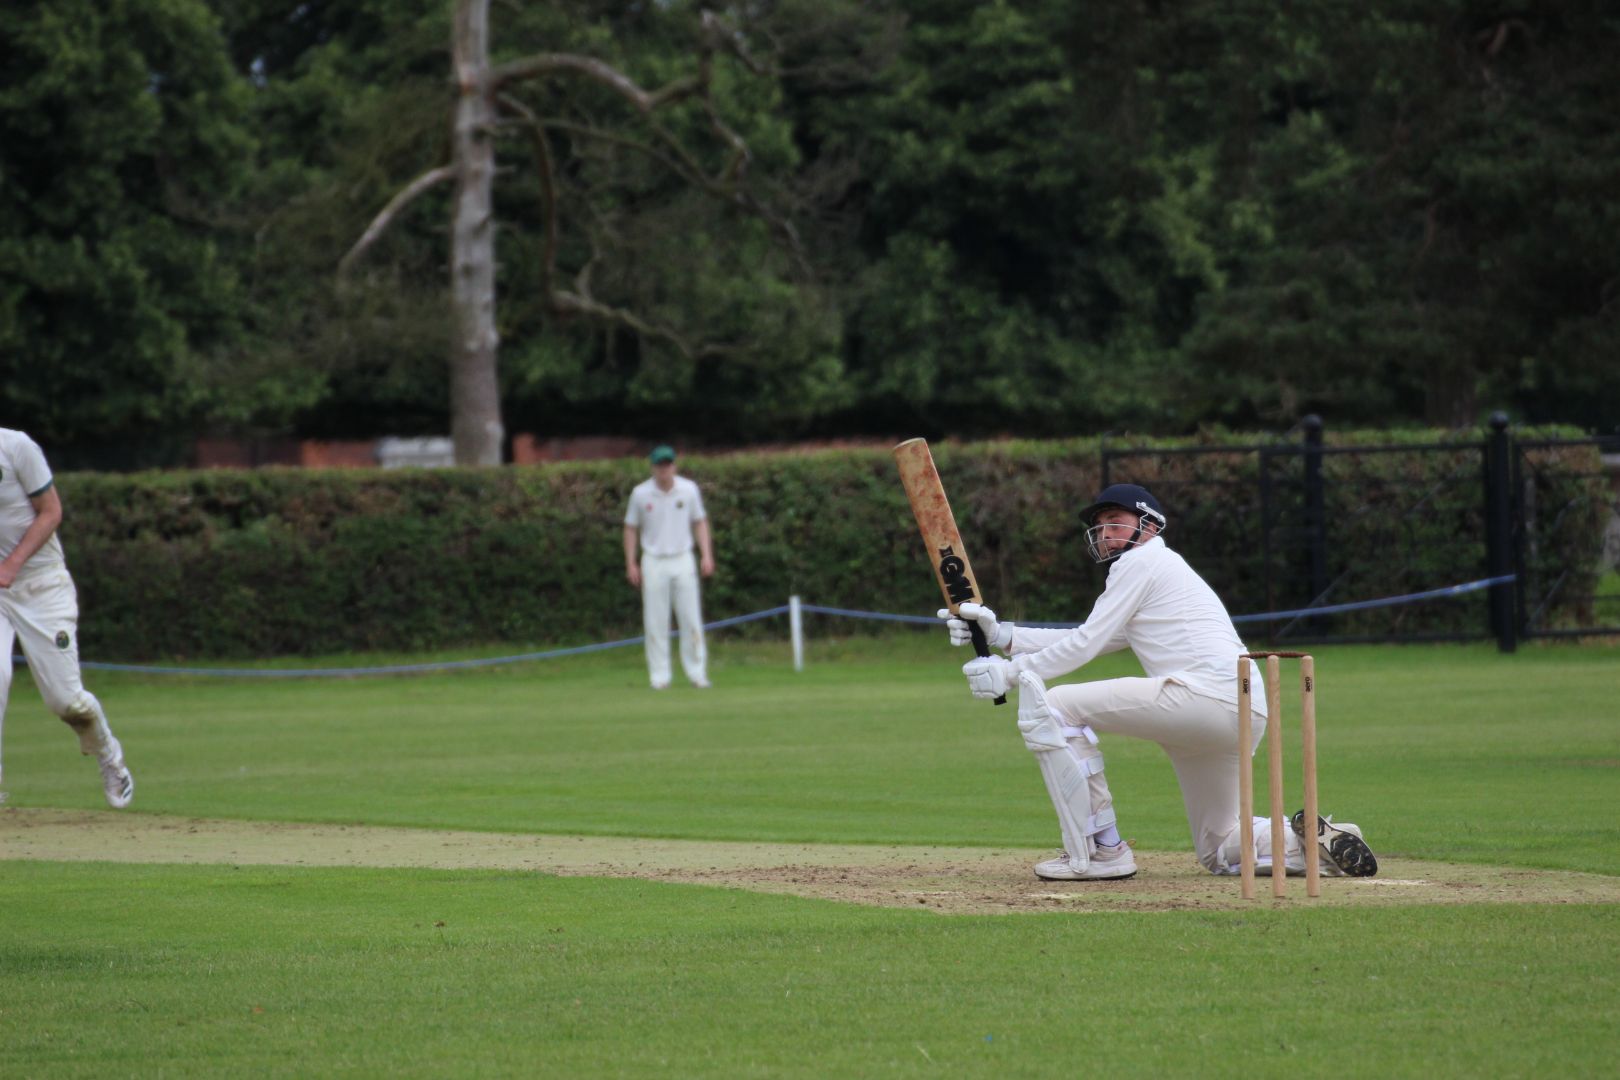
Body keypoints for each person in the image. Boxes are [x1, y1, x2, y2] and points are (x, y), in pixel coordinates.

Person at [942, 483, 1376, 883]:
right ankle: (1310, 842)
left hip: (1207, 696)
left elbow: (1085, 643)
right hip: (1240, 705)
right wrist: (1002, 635)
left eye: (1116, 522)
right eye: (1100, 526)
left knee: (1056, 707)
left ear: (1150, 526)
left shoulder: (1141, 561)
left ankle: (1104, 850)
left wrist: (1012, 673)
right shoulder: (1159, 571)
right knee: (1219, 848)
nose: (1106, 534)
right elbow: (1096, 635)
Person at [0, 428, 134, 808]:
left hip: (42, 587)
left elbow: (52, 511)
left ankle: (109, 755)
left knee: (66, 702)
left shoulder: (15, 447)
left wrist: (11, 564)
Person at [623, 445, 715, 689]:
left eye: (667, 464)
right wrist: (630, 562)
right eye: (659, 465)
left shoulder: (688, 489)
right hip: (653, 560)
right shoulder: (640, 493)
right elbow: (631, 528)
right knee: (655, 621)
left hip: (683, 557)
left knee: (691, 619)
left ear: (674, 465)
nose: (664, 470)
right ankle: (660, 676)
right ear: (653, 467)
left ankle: (697, 673)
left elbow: (700, 522)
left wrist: (706, 554)